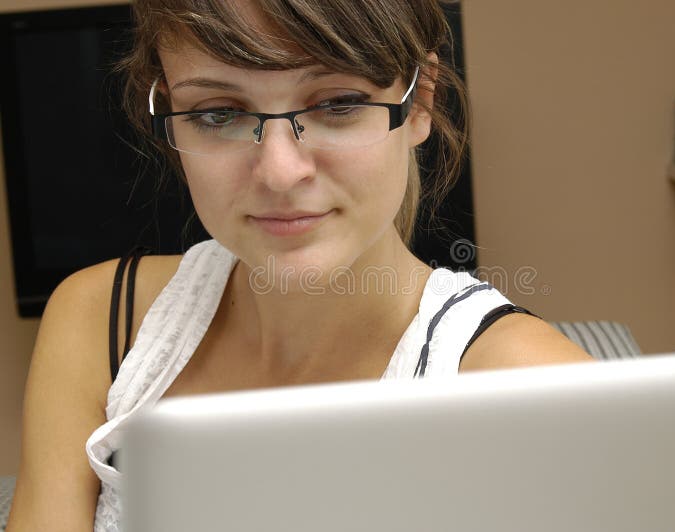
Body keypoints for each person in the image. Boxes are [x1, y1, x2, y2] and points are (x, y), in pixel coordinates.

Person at [7, 0, 591, 530]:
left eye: (338, 104)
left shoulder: (531, 388)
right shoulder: (98, 320)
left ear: (420, 103)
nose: (281, 173)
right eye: (219, 113)